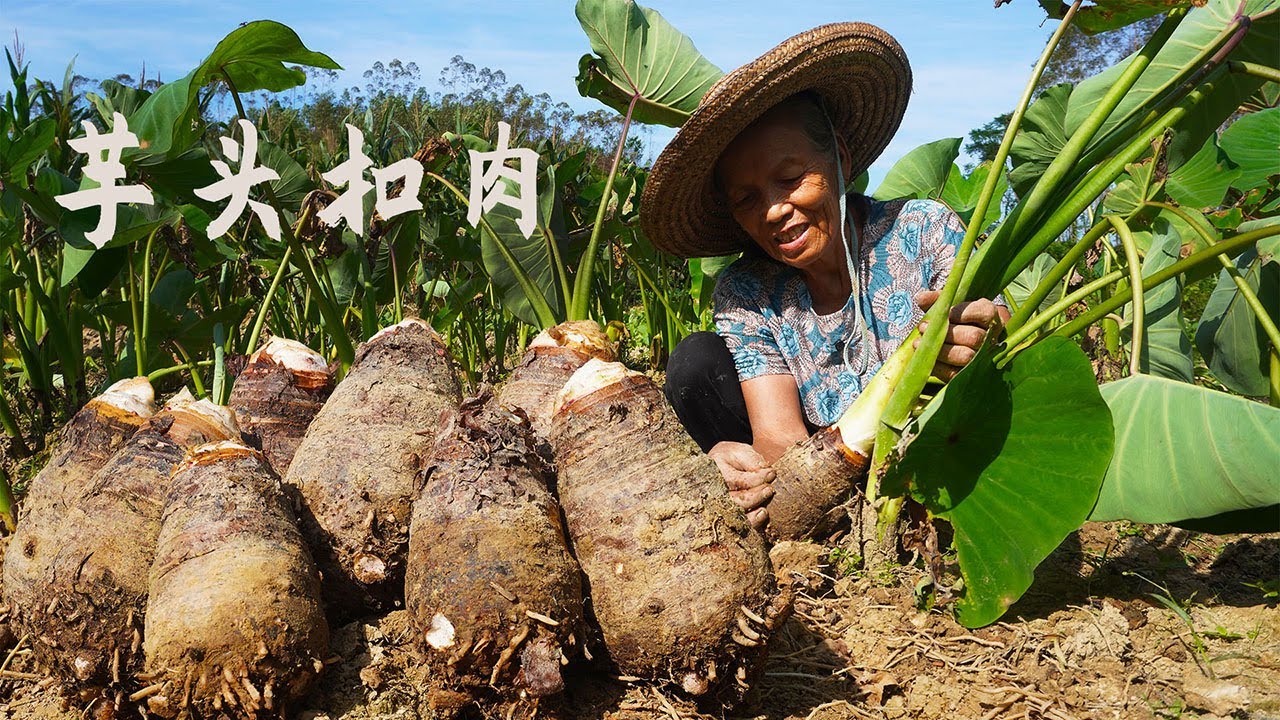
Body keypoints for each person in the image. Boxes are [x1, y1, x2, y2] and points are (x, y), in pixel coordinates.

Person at [638, 23, 1008, 531]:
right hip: (828, 469)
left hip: (943, 460)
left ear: (840, 159)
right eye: (747, 200)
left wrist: (984, 337)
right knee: (695, 363)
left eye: (790, 180)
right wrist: (728, 463)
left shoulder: (923, 230)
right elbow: (778, 437)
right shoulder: (748, 291)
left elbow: (995, 328)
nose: (772, 211)